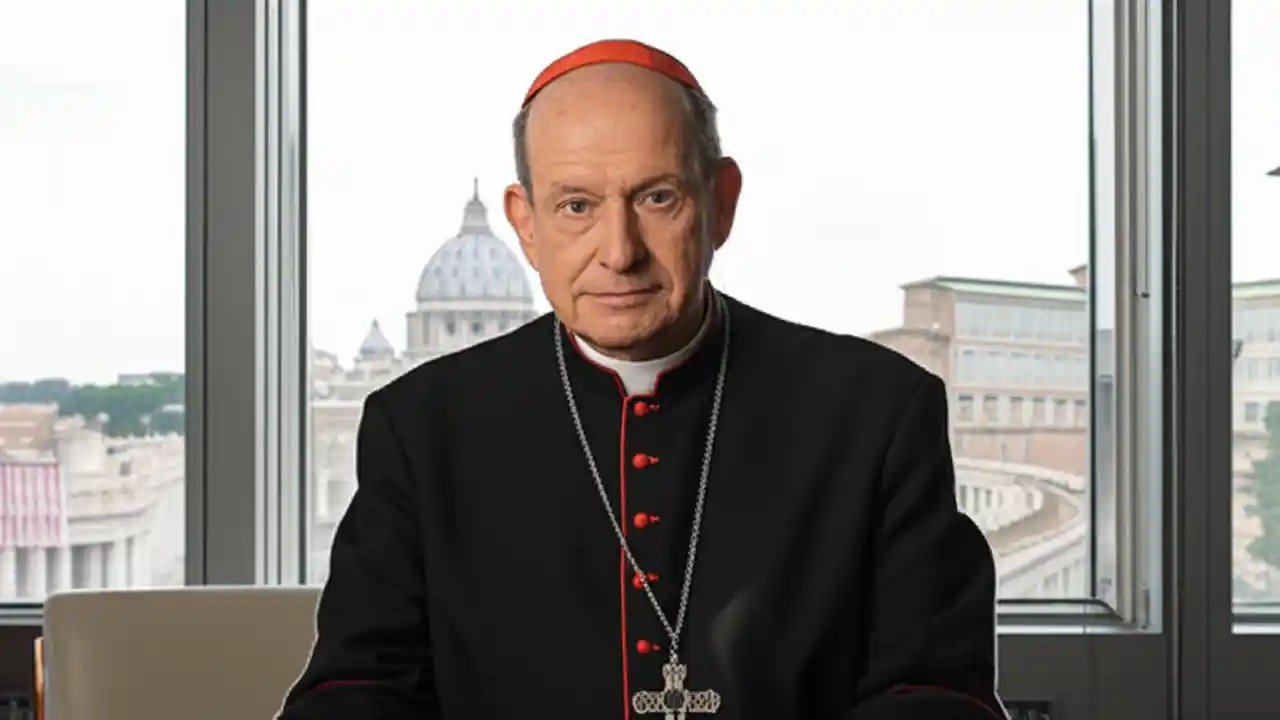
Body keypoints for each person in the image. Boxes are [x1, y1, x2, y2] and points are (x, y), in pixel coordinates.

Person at [278, 38, 1007, 720]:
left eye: (657, 198)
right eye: (576, 206)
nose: (618, 252)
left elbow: (935, 691)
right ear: (525, 223)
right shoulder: (421, 426)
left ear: (720, 202)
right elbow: (361, 688)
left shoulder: (874, 412)